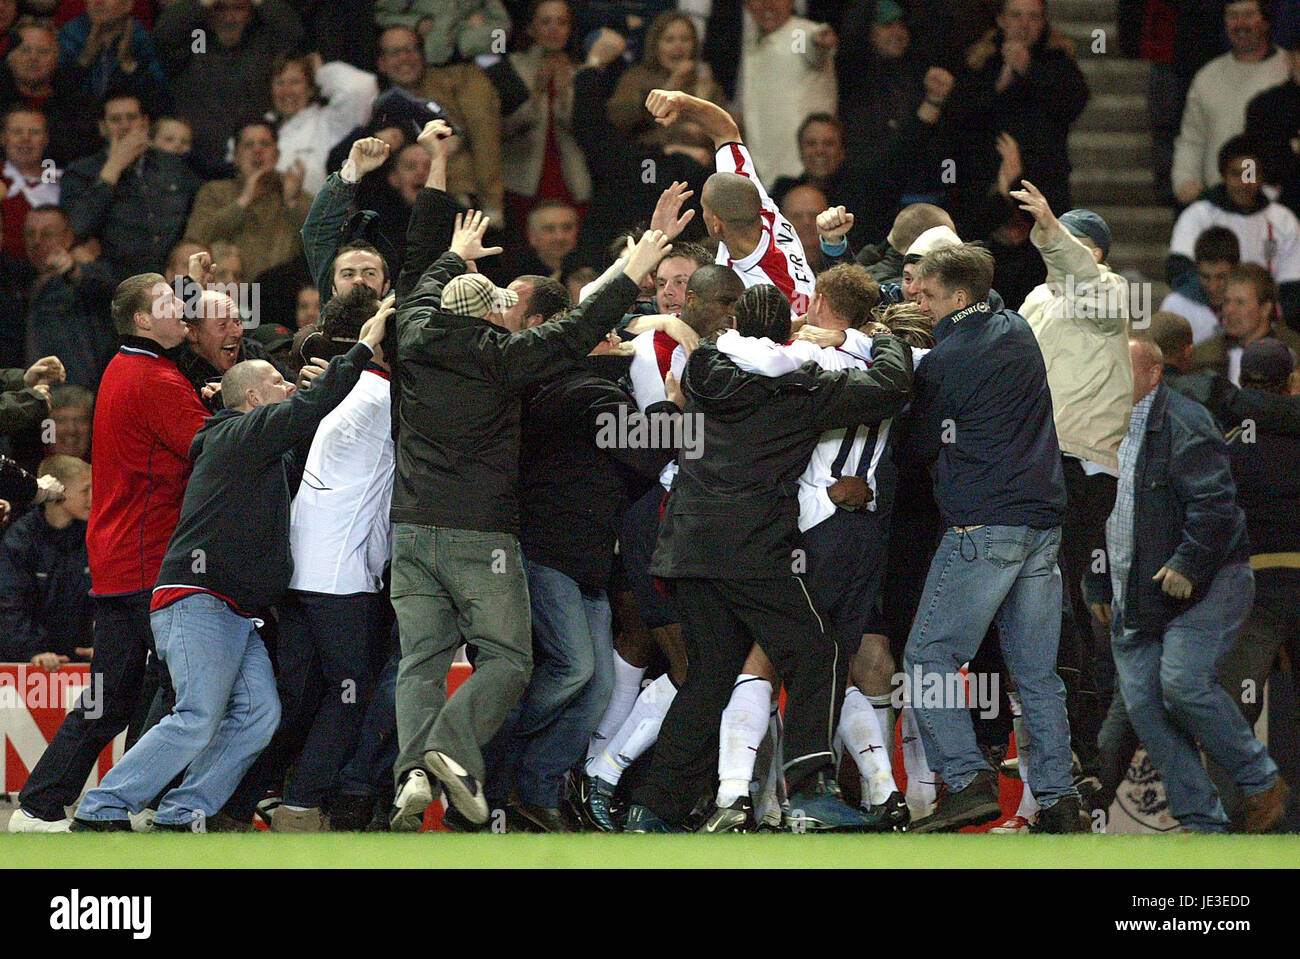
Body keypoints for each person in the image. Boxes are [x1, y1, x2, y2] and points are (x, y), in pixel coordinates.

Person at [387, 215, 670, 829]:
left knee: (421, 662)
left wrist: (451, 254)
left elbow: (415, 297)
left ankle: (412, 772)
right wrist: (637, 263)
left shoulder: (411, 334)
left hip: (410, 527)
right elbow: (575, 332)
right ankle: (452, 747)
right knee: (511, 661)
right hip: (480, 534)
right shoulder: (506, 360)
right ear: (492, 316)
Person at [71, 298, 392, 832]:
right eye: (277, 383)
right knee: (197, 716)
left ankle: (184, 811)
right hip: (198, 599)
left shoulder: (253, 443)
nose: (290, 388)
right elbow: (306, 410)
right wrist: (362, 347)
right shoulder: (233, 435)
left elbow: (308, 430)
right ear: (251, 398)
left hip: (232, 610)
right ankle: (102, 807)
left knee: (258, 715)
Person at [624, 283, 912, 833]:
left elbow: (695, 342)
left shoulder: (705, 367)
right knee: (818, 651)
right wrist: (875, 336)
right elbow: (891, 386)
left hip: (686, 542)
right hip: (752, 545)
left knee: (709, 676)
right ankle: (808, 789)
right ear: (787, 329)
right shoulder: (804, 386)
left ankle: (652, 808)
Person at [9, 273, 207, 833]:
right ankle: (117, 803)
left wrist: (193, 284)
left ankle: (49, 805)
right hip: (149, 560)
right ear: (144, 320)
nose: (183, 312)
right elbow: (216, 446)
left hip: (125, 556)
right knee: (176, 693)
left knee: (121, 696)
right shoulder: (155, 380)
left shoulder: (128, 365)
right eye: (172, 304)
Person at [900, 242, 1082, 833]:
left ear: (957, 298)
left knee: (928, 659)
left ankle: (965, 780)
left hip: (984, 526)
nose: (918, 303)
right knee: (1036, 675)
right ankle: (1058, 802)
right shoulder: (1016, 328)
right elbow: (983, 301)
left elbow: (918, 444)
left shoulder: (946, 362)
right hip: (1043, 528)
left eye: (927, 295)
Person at [1095, 336, 1288, 833]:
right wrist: (1096, 580)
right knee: (1143, 705)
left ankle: (1261, 779)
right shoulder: (1097, 423)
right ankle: (1204, 822)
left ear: (1154, 374)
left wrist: (1188, 561)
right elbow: (1095, 510)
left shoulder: (1185, 422)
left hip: (1207, 581)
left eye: (1123, 369)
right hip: (1135, 590)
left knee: (1181, 684)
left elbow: (1217, 504)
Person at [1011, 186, 1131, 802]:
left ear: (1098, 255)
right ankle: (1052, 737)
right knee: (1038, 599)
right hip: (1035, 464)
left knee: (1059, 598)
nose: (1056, 251)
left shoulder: (1111, 293)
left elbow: (1083, 279)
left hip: (1081, 465)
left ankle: (1078, 741)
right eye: (1050, 242)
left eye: (1072, 246)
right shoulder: (1036, 300)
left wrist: (1055, 232)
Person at [645, 87, 815, 315]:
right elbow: (725, 130)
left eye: (704, 209)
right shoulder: (757, 202)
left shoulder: (777, 292)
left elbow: (811, 323)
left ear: (717, 225)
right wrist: (681, 100)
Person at [372, 22, 505, 223]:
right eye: (395, 52)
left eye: (410, 50)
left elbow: (484, 136)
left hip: (464, 201)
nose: (404, 59)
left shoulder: (455, 83)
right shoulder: (378, 105)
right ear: (381, 63)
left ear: (423, 55)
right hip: (402, 211)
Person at [60, 92, 201, 280]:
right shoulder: (81, 172)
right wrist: (113, 168)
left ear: (145, 123)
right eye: (116, 120)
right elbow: (73, 229)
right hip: (111, 280)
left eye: (132, 118)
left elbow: (196, 215)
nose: (125, 126)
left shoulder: (173, 165)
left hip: (170, 277)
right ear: (103, 127)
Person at [153, 0, 304, 171]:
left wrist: (261, 2)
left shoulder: (261, 41)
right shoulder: (198, 40)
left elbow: (294, 36)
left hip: (255, 160)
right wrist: (201, 4)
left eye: (239, 9)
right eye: (220, 9)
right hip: (197, 164)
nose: (230, 18)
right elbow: (163, 36)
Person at [1168, 136, 1300, 325]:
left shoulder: (1283, 220)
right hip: (1208, 318)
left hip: (1266, 324)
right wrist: (1223, 306)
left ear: (1262, 177)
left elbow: (1292, 288)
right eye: (1237, 174)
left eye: (1251, 174)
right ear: (1223, 175)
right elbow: (1179, 271)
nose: (1245, 183)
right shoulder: (1198, 215)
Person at [1172, 0, 1288, 206]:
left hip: (1277, 205)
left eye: (1249, 14)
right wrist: (1184, 180)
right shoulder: (1208, 76)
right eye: (1232, 16)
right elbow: (1192, 139)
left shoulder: (1287, 70)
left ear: (1266, 22)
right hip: (1219, 203)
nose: (1240, 23)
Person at [500, 0, 591, 231]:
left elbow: (588, 130)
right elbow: (500, 129)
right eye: (546, 21)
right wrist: (537, 95)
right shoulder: (512, 67)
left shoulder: (581, 72)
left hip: (570, 177)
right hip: (521, 177)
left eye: (561, 22)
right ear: (531, 28)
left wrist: (563, 95)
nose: (554, 29)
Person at [185, 122, 313, 282]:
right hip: (226, 293)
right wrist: (242, 201)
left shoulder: (294, 193)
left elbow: (319, 245)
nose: (257, 151)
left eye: (264, 144)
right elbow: (194, 240)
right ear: (236, 157)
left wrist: (291, 202)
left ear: (277, 155)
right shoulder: (214, 192)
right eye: (248, 145)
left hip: (279, 295)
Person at [0, 453, 92, 668]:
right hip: (28, 664)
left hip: (85, 659)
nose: (93, 497)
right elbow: (10, 605)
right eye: (85, 490)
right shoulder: (20, 540)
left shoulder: (94, 536)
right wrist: (34, 651)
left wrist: (108, 647)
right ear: (59, 493)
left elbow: (107, 603)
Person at [22, 204, 115, 389]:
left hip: (75, 394)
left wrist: (72, 270)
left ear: (68, 238)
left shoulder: (87, 274)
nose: (36, 242)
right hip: (33, 394)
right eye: (30, 234)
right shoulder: (17, 278)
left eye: (47, 234)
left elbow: (105, 290)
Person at [606, 10, 724, 150]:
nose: (678, 47)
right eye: (669, 40)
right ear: (656, 45)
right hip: (649, 159)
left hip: (698, 163)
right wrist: (671, 85)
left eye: (685, 40)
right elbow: (621, 121)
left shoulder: (703, 82)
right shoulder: (635, 78)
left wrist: (705, 99)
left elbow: (721, 133)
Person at [267, 52, 378, 198]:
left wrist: (321, 72)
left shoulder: (330, 123)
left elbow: (361, 88)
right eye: (279, 83)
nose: (286, 91)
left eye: (295, 82)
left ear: (311, 88)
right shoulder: (260, 128)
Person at [0, 16, 102, 167]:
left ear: (56, 57)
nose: (33, 57)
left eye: (42, 51)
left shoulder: (80, 110)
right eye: (25, 50)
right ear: (9, 58)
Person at [1191, 263, 1300, 385]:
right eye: (1226, 301)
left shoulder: (1292, 356)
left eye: (1240, 302)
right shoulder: (1204, 356)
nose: (1229, 310)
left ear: (1265, 309)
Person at [1160, 226, 1240, 344]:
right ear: (1196, 269)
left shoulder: (1253, 304)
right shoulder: (1175, 306)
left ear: (1236, 271)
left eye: (1221, 277)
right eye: (1205, 277)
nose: (1213, 287)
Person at [0, 105, 57, 259]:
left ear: (46, 138)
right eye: (17, 132)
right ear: (3, 138)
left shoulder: (64, 181)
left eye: (34, 132)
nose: (25, 138)